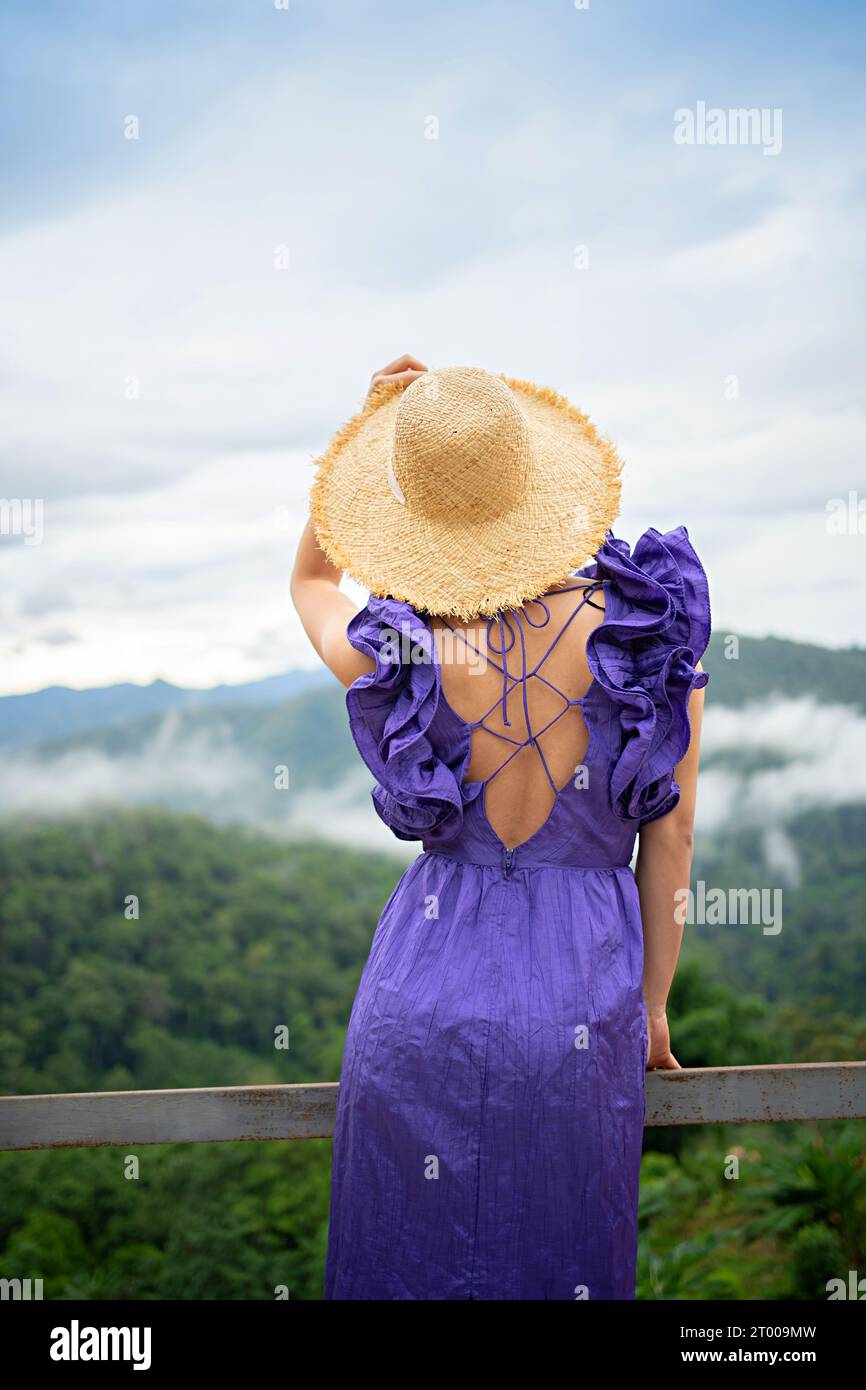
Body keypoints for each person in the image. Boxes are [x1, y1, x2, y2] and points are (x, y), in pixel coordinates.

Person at [291, 353, 709, 1300]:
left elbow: (313, 583)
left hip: (418, 998)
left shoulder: (411, 645)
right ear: (537, 488)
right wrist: (650, 1004)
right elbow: (672, 845)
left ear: (424, 516)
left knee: (404, 1261)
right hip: (579, 995)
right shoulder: (646, 637)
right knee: (562, 1252)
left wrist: (356, 442)